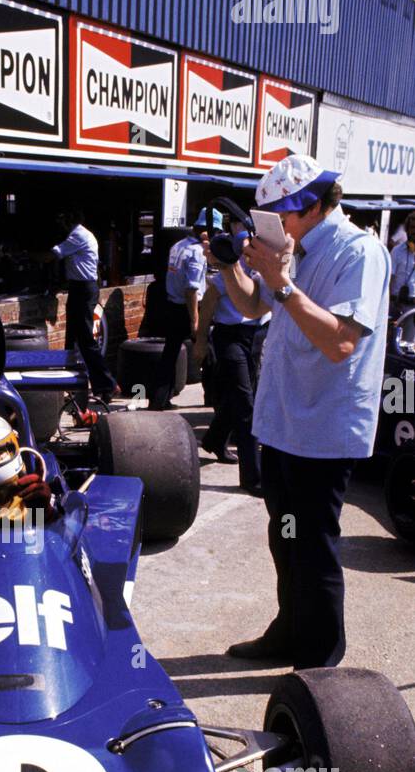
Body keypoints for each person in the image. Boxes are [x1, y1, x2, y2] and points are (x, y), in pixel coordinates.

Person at [211, 155, 390, 669]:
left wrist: (284, 283)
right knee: (285, 535)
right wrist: (230, 264)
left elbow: (340, 344)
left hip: (324, 428)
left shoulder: (359, 252)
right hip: (285, 422)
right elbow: (251, 308)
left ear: (312, 207)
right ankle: (288, 630)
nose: (272, 230)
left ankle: (320, 662)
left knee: (313, 545)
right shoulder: (294, 249)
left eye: (279, 218)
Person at [194, 219, 266, 495]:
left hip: (256, 336)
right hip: (230, 337)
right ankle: (252, 478)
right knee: (247, 405)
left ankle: (213, 439)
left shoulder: (260, 262)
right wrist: (200, 342)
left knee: (242, 397)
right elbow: (207, 308)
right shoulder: (224, 268)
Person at [42, 208, 118, 404]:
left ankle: (108, 384)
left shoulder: (78, 235)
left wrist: (26, 255)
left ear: (69, 221)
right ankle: (75, 387)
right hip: (78, 289)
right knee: (72, 339)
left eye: (62, 221)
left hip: (84, 290)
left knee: (86, 340)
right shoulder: (81, 234)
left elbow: (52, 255)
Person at [151, 210, 219, 411]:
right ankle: (213, 397)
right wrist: (195, 321)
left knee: (169, 355)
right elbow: (191, 289)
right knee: (209, 352)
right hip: (189, 308)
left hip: (172, 304)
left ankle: (159, 400)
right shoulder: (198, 252)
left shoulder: (177, 245)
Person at [389, 211, 415, 341]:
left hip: (413, 308)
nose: (414, 231)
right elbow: (390, 278)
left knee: (409, 343)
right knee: (391, 342)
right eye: (412, 228)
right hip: (396, 304)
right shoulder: (397, 251)